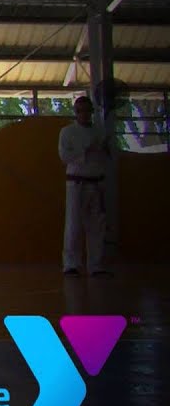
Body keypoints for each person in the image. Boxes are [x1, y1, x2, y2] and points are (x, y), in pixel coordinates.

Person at [58, 95, 112, 277]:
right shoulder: (67, 132)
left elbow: (108, 156)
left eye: (87, 110)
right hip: (76, 182)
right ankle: (70, 264)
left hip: (96, 182)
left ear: (91, 111)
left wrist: (104, 148)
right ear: (76, 112)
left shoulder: (99, 132)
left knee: (97, 226)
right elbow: (64, 156)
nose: (84, 114)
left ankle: (96, 265)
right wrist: (85, 151)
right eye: (80, 111)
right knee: (73, 224)